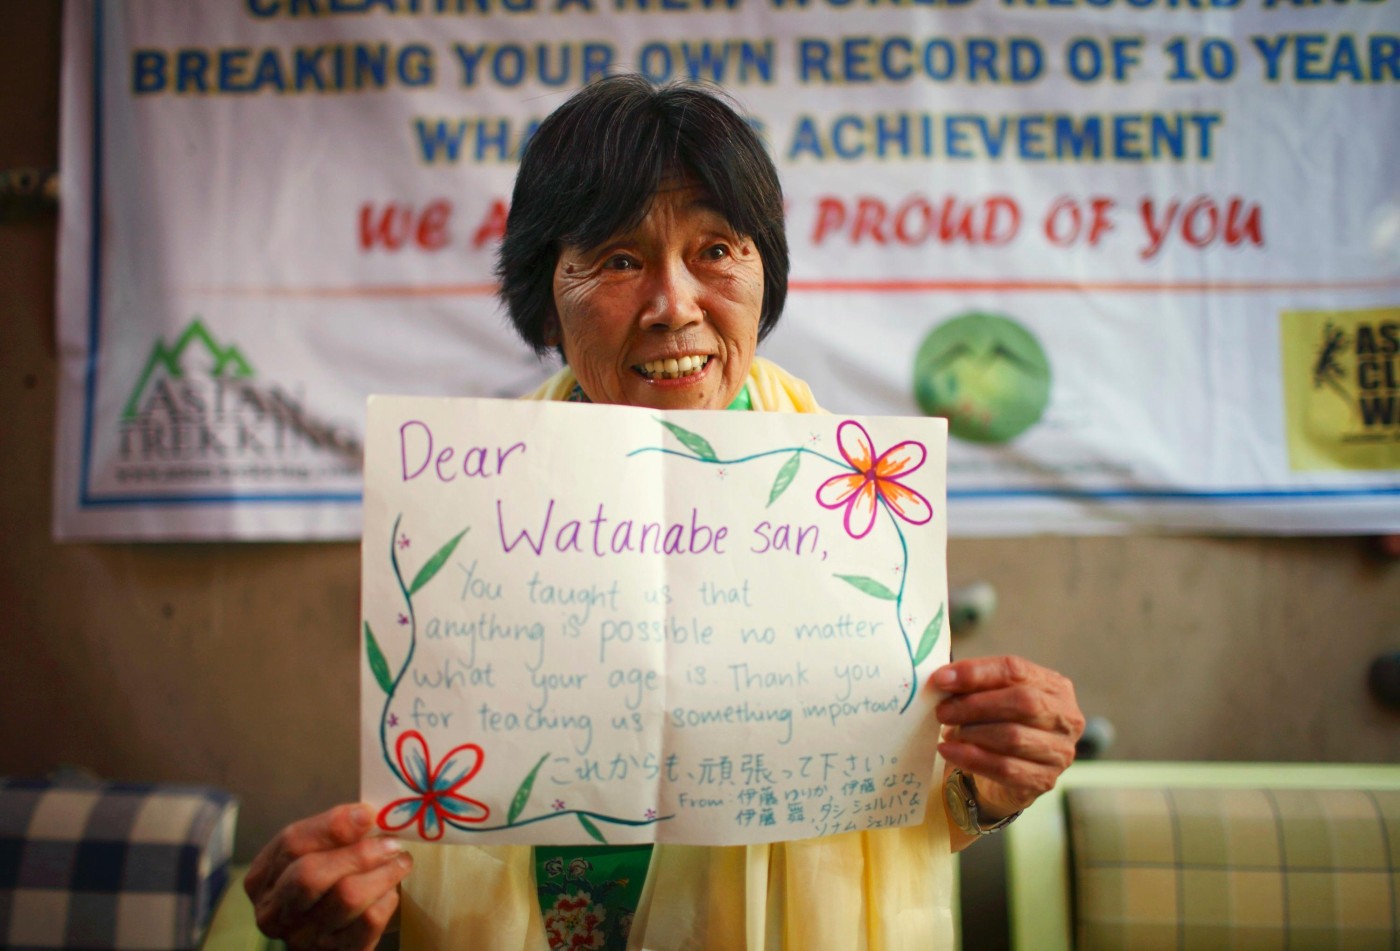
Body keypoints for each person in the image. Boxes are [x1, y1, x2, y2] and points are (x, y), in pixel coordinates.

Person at [245, 74, 1084, 951]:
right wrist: (348, 917)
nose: (674, 305)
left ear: (766, 274)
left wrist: (990, 779)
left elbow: (870, 793)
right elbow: (431, 834)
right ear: (546, 290)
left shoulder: (857, 503)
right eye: (616, 259)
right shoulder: (464, 518)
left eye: (717, 249)